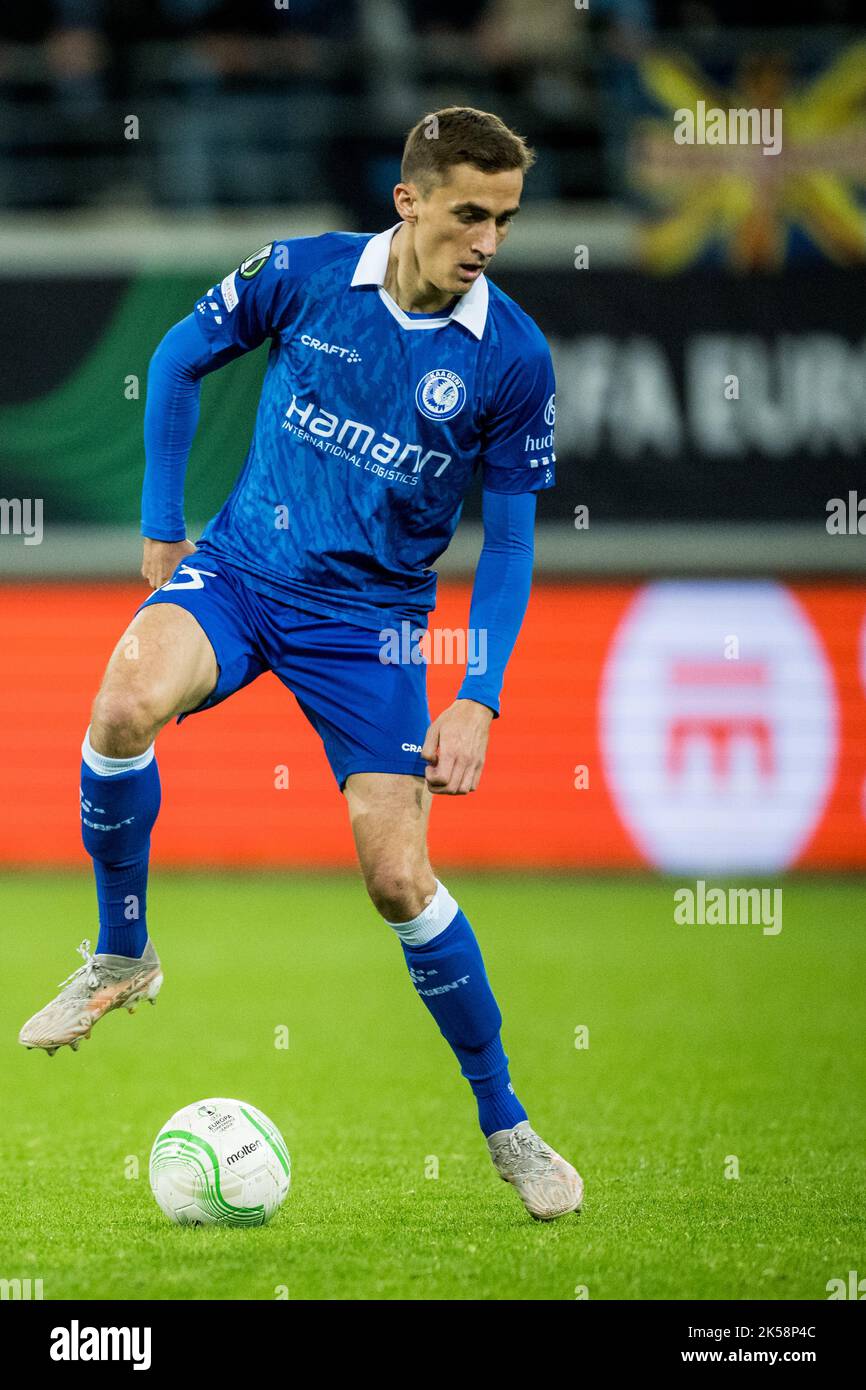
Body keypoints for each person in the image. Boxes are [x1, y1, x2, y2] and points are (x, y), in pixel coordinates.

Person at [20, 106, 582, 1222]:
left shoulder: (511, 358)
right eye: (468, 212)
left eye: (505, 219)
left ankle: (505, 1121)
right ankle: (122, 955)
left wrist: (478, 692)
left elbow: (511, 540)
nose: (486, 239)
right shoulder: (305, 276)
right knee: (123, 700)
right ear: (408, 200)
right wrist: (160, 526)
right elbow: (178, 357)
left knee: (397, 880)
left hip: (369, 624)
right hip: (238, 571)